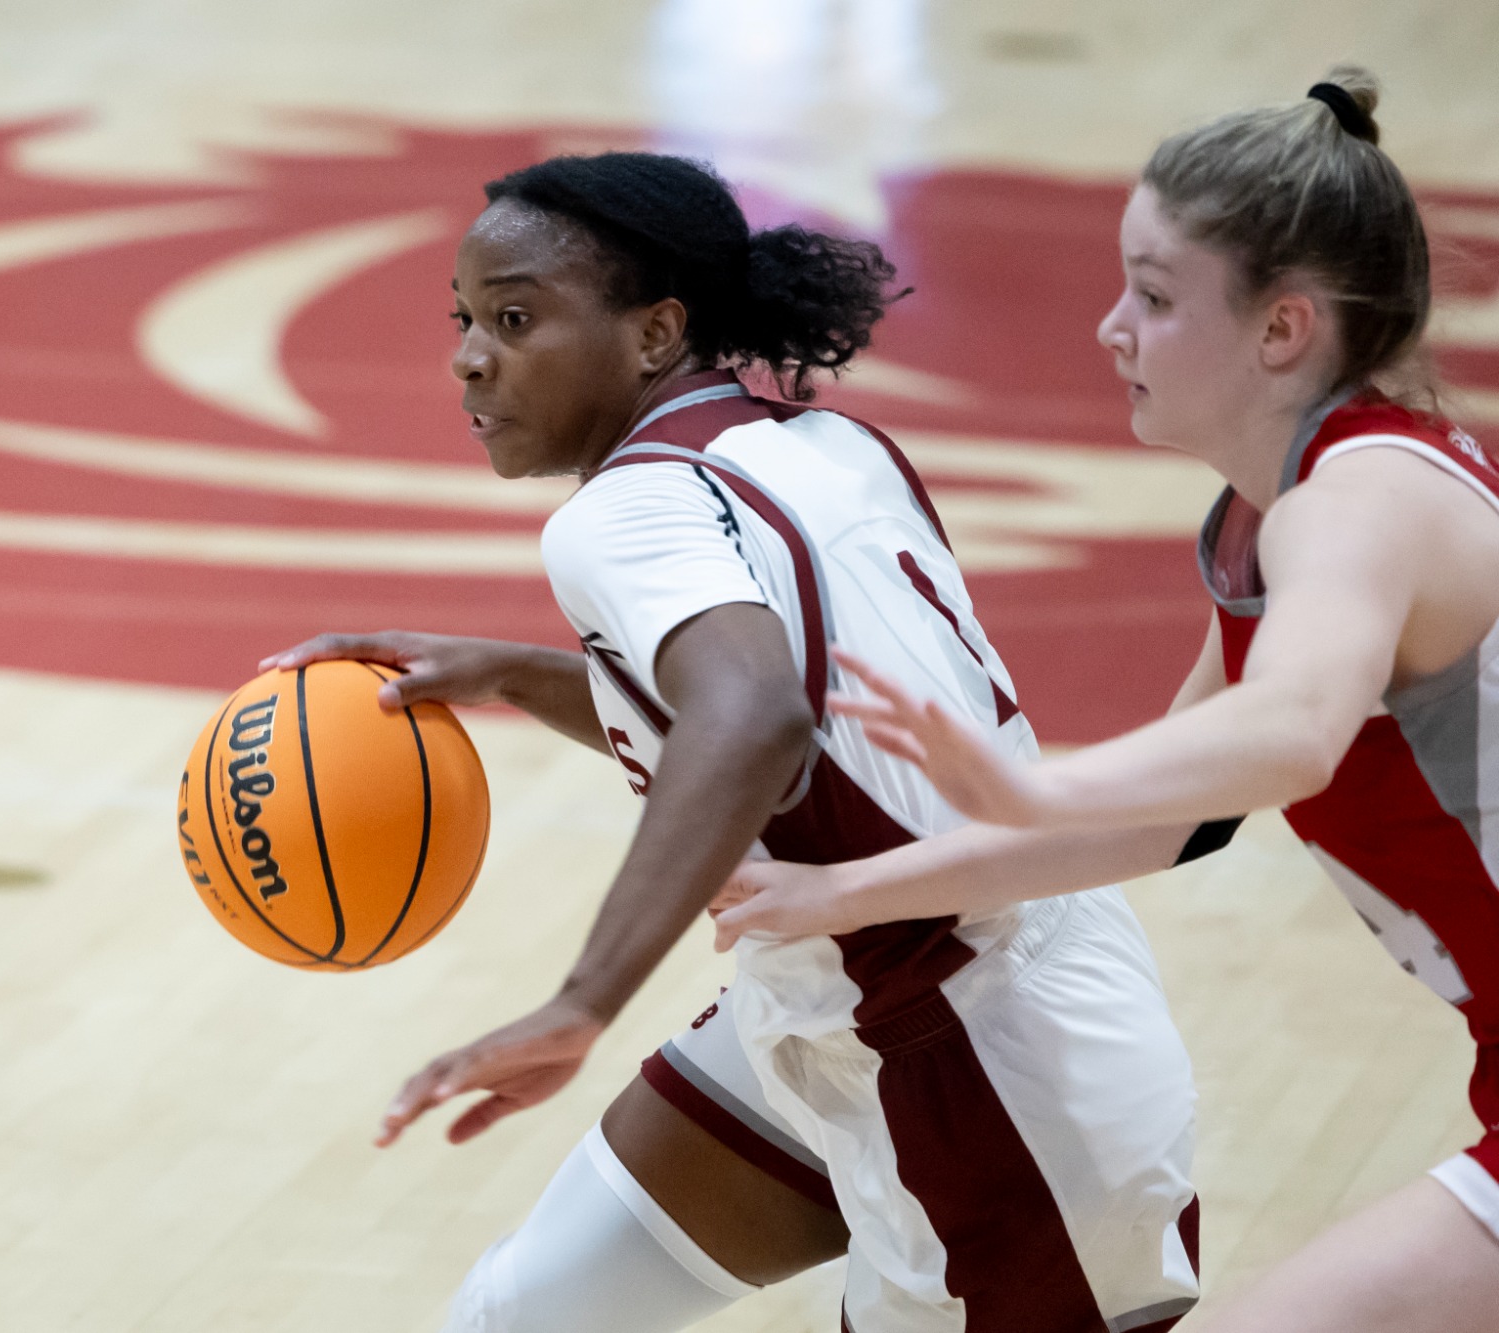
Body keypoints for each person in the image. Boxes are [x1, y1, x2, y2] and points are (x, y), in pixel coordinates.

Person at [266, 151, 1201, 1332]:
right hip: (867, 1000)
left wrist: (581, 1000)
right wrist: (517, 674)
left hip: (985, 1071)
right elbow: (803, 731)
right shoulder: (829, 445)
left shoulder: (617, 514)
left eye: (513, 318)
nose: (468, 356)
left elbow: (755, 716)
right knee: (517, 1315)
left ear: (655, 332)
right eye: (463, 319)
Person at [713, 69, 1499, 1333]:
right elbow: (1172, 815)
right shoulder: (1280, 516)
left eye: (1153, 295)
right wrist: (846, 891)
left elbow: (1292, 730)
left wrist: (1027, 786)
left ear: (1280, 329)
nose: (1108, 328)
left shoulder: (1357, 504)